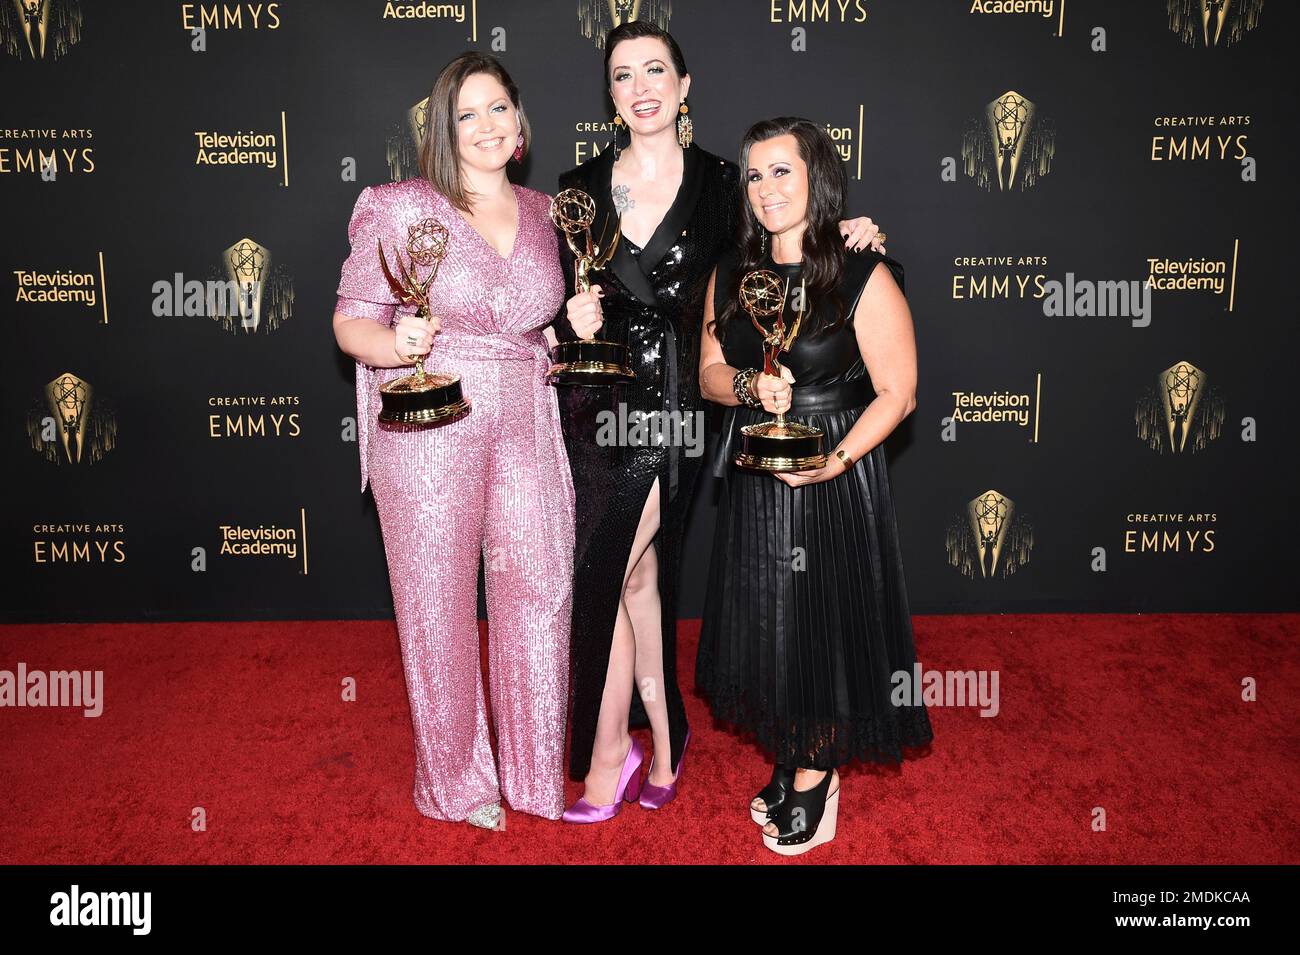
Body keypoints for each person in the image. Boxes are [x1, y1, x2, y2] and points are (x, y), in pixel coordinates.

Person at [553, 21, 884, 823]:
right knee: (629, 574)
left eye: (656, 69)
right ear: (610, 93)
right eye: (624, 74)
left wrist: (855, 234)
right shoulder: (578, 183)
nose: (642, 87)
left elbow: (781, 254)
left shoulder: (728, 183)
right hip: (597, 401)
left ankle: (608, 756)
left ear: (685, 83)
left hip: (682, 402)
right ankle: (661, 739)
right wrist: (573, 311)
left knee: (610, 569)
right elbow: (559, 295)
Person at [332, 53, 574, 829]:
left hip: (530, 411)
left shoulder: (546, 212)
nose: (486, 126)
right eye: (467, 114)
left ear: (520, 119)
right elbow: (350, 324)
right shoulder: (400, 207)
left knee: (541, 585)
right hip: (434, 418)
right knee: (436, 603)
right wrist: (396, 342)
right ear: (442, 128)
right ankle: (457, 784)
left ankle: (536, 773)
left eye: (498, 107)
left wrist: (575, 331)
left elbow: (539, 318)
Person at [696, 117, 933, 855]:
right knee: (770, 617)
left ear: (817, 177)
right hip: (757, 465)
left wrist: (836, 461)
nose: (768, 189)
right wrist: (748, 383)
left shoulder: (861, 269)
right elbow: (708, 373)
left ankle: (816, 773)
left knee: (821, 618)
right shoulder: (730, 270)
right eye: (756, 175)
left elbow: (900, 391)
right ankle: (793, 748)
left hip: (833, 465)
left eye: (784, 172)